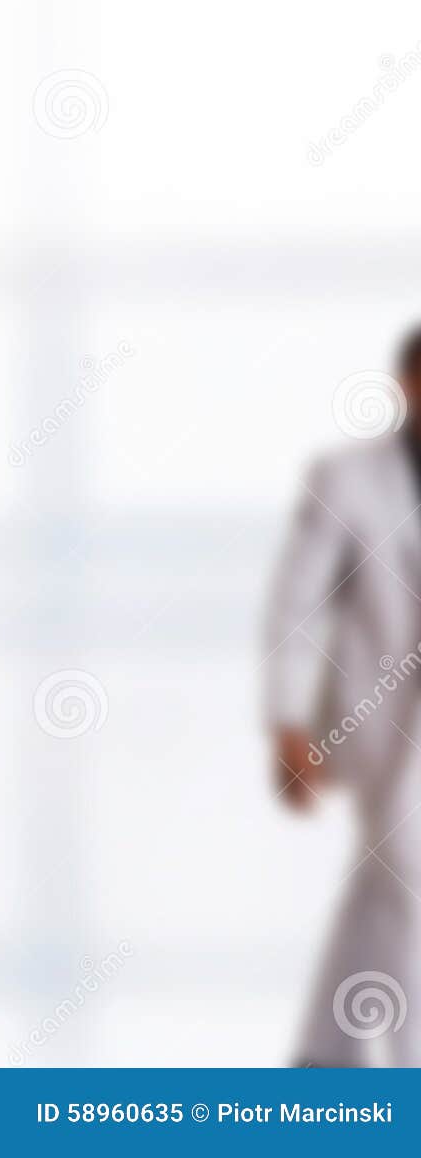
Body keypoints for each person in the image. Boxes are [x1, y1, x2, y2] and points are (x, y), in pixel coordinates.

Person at [265, 323, 421, 1066]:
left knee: (385, 887)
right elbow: (298, 604)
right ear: (409, 387)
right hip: (380, 721)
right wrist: (290, 723)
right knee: (409, 882)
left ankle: (326, 1059)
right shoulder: (348, 480)